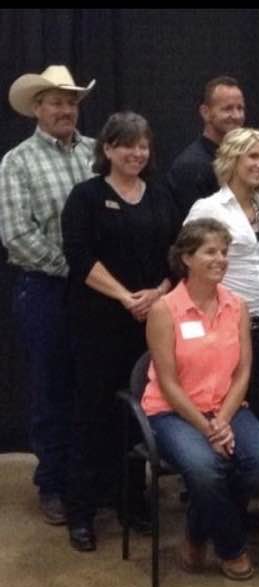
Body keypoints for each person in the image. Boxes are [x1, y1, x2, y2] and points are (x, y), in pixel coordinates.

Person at [60, 111, 177, 552]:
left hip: (148, 324)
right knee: (90, 416)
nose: (137, 153)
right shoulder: (86, 197)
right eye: (127, 145)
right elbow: (79, 257)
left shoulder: (162, 195)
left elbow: (176, 256)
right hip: (96, 323)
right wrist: (126, 297)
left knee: (137, 417)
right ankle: (82, 511)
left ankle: (131, 501)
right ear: (107, 149)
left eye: (143, 145)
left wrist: (159, 291)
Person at [142, 219, 259, 581]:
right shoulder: (164, 310)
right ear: (186, 258)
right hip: (174, 412)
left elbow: (243, 371)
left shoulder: (237, 306)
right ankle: (232, 547)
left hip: (226, 407)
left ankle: (196, 530)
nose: (221, 259)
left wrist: (223, 419)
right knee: (205, 468)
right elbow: (168, 383)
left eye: (224, 252)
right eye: (210, 252)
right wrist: (209, 429)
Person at [0, 64, 96, 526]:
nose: (65, 109)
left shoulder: (98, 153)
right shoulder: (17, 162)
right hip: (47, 289)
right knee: (52, 389)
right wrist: (77, 270)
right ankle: (53, 483)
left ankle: (93, 478)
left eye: (71, 102)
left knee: (94, 385)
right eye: (56, 101)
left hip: (96, 292)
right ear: (37, 108)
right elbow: (17, 235)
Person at [185, 127, 259, 410]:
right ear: (232, 159)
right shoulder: (208, 208)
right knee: (229, 403)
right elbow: (186, 261)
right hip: (226, 322)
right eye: (252, 156)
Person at [163, 76, 246, 219]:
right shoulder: (191, 166)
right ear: (205, 112)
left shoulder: (243, 160)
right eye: (228, 109)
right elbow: (196, 231)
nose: (237, 115)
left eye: (240, 108)